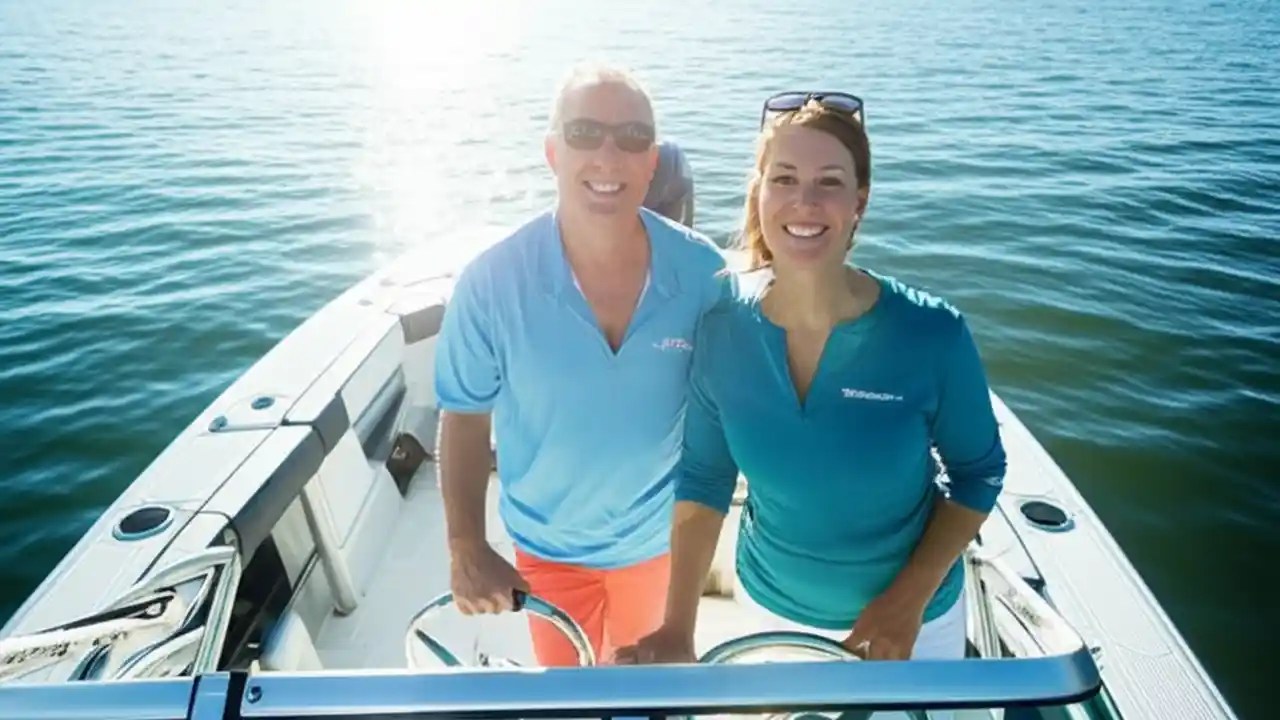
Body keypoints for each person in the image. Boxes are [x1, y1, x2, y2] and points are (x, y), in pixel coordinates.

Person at [616, 92, 1007, 666]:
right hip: (770, 610)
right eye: (784, 179)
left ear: (859, 203)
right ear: (760, 193)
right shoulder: (723, 329)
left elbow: (979, 473)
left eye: (829, 182)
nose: (804, 202)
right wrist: (678, 626)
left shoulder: (932, 334)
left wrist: (907, 599)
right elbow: (704, 477)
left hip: (914, 624)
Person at [432, 63, 726, 667]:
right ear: (552, 152)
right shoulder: (491, 283)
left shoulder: (705, 275)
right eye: (585, 132)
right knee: (571, 693)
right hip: (546, 549)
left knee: (645, 693)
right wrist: (465, 543)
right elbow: (463, 415)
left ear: (652, 162)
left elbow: (734, 411)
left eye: (633, 137)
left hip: (657, 545)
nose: (609, 155)